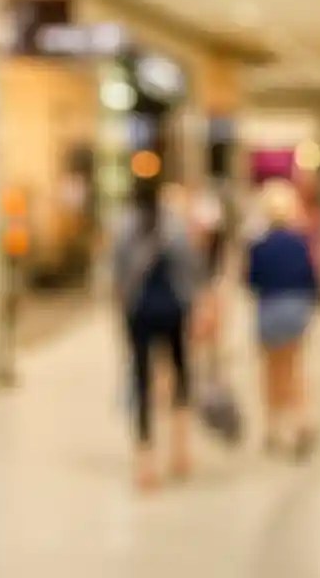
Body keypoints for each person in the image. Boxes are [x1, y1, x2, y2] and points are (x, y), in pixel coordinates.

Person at [113, 185, 201, 491]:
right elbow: (190, 271)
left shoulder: (125, 228)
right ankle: (180, 450)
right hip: (172, 311)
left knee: (141, 380)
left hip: (139, 313)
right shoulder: (175, 228)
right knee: (179, 373)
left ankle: (146, 458)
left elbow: (118, 276)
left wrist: (121, 314)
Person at [247, 180, 320, 459]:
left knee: (272, 372)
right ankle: (301, 422)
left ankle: (274, 428)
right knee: (294, 369)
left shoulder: (260, 245)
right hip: (296, 308)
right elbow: (311, 278)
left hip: (270, 308)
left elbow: (252, 281)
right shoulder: (299, 242)